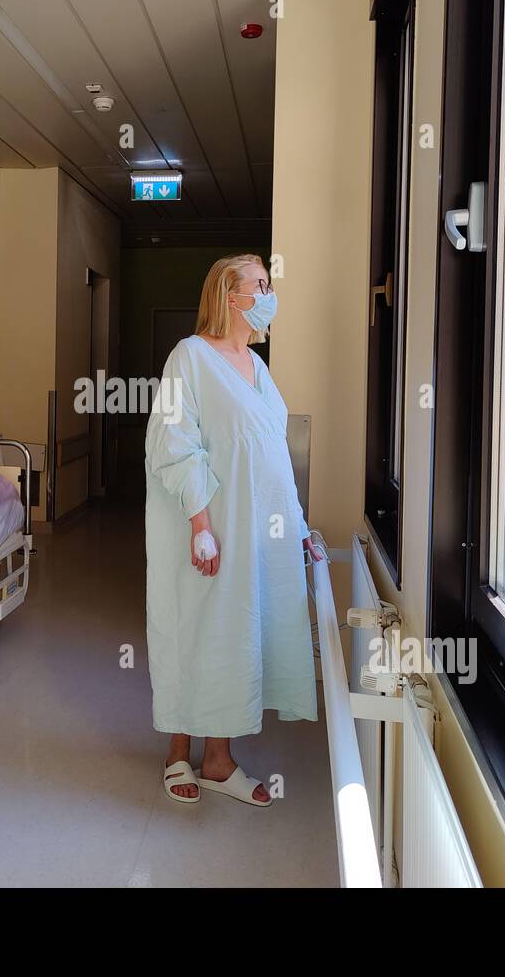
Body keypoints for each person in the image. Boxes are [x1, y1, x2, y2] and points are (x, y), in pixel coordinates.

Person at [144, 253, 321, 806]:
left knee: (232, 634)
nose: (268, 296)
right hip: (210, 526)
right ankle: (178, 752)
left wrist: (296, 526)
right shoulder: (189, 357)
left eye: (268, 284)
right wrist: (200, 523)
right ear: (229, 296)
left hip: (255, 531)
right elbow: (173, 444)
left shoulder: (255, 365)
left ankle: (219, 761)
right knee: (195, 627)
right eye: (260, 285)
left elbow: (272, 454)